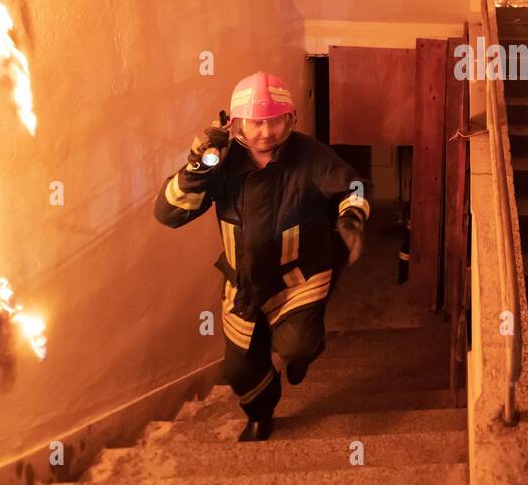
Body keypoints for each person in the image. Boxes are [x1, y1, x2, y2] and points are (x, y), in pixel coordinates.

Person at [153, 71, 371, 441]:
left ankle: (303, 352)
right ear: (236, 123)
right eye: (256, 123)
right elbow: (170, 214)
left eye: (275, 121)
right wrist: (196, 167)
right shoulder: (218, 162)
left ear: (290, 120)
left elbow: (352, 185)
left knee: (299, 343)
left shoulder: (311, 155)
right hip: (244, 283)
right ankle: (260, 414)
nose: (266, 133)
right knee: (239, 370)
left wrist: (351, 216)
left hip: (300, 276)